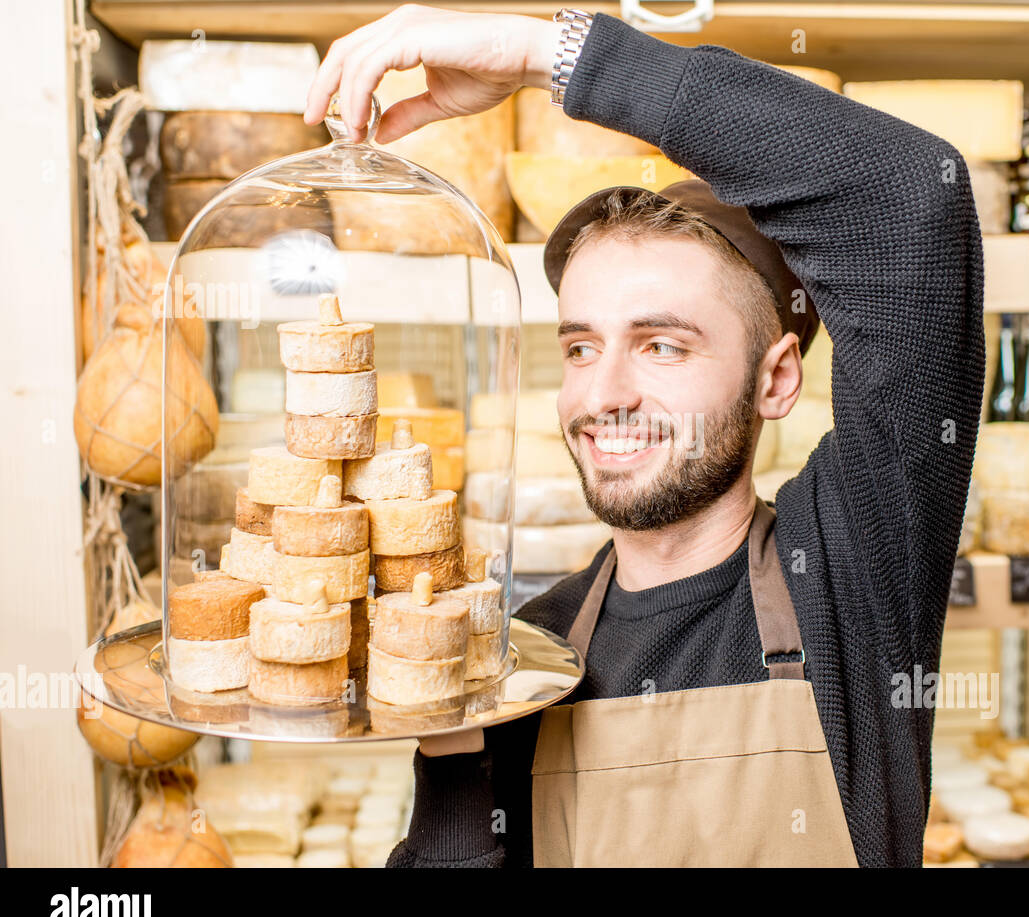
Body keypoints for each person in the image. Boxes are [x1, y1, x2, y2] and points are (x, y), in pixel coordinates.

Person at [305, 3, 984, 867]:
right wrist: (452, 747)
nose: (603, 394)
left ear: (776, 378)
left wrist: (537, 54)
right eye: (582, 346)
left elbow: (912, 196)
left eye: (662, 344)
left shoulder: (852, 571)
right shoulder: (526, 656)